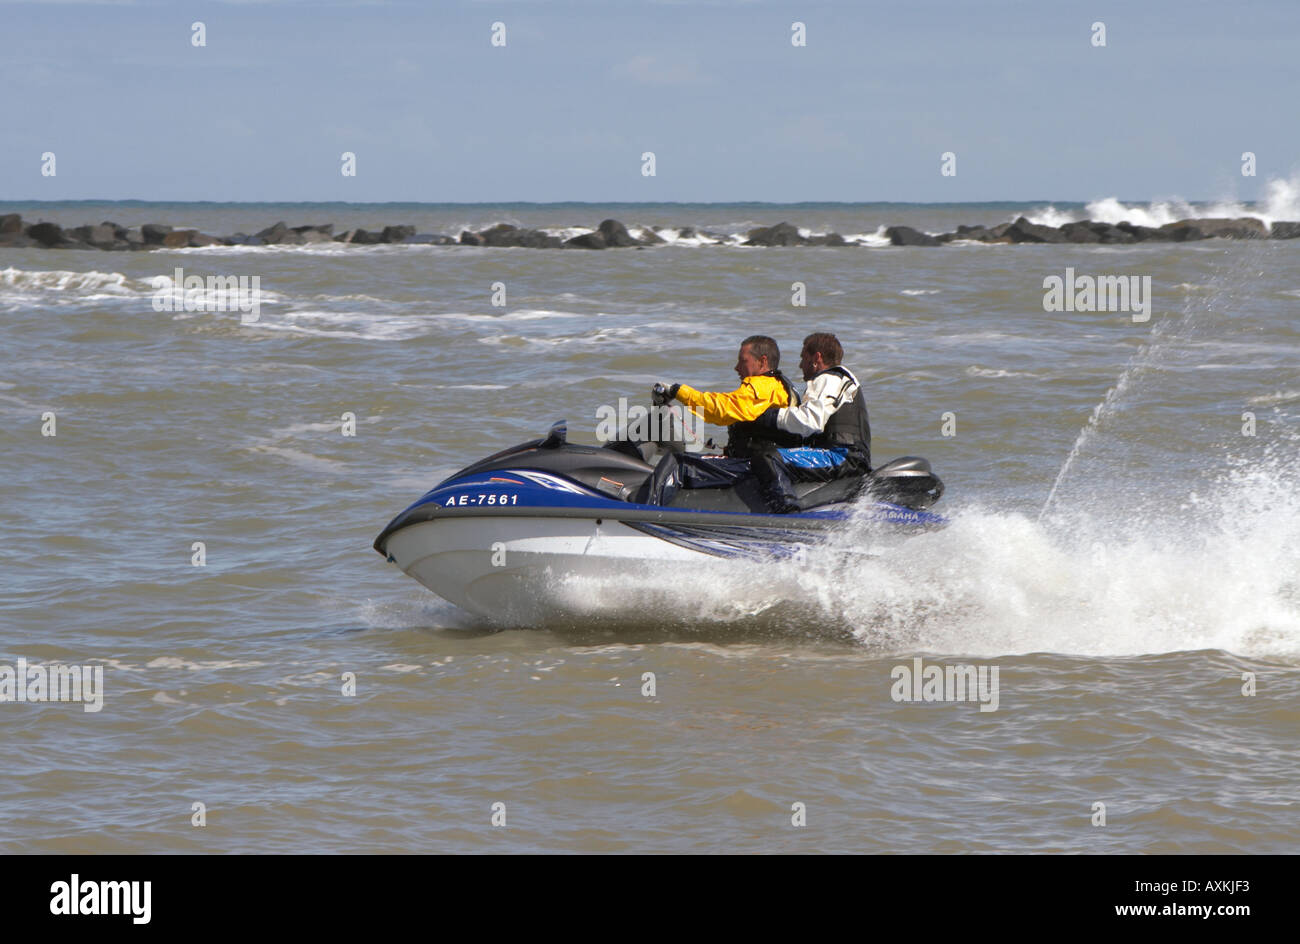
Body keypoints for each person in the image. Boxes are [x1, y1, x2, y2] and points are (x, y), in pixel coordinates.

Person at [651, 336, 804, 511]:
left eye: (743, 361)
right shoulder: (779, 386)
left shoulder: (765, 387)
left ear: (763, 362)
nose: (737, 368)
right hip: (754, 463)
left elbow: (721, 410)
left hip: (751, 466)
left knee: (677, 464)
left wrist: (678, 391)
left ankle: (645, 515)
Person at [749, 332, 872, 511]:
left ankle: (786, 513)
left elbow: (809, 421)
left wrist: (770, 417)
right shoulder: (842, 379)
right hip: (849, 457)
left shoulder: (828, 378)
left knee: (769, 457)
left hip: (840, 457)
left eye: (803, 358)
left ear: (817, 357)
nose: (800, 365)